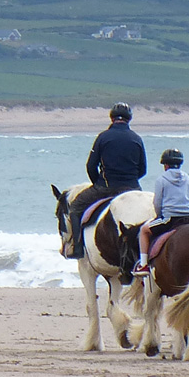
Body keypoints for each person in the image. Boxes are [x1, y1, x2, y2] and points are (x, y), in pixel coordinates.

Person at [65, 102, 145, 259]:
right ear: (129, 119)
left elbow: (91, 166)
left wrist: (98, 183)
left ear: (112, 118)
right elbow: (143, 169)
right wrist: (131, 181)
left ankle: (78, 248)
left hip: (107, 187)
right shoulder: (137, 139)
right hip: (132, 188)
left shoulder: (103, 137)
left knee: (75, 208)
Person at [131, 149, 189, 276]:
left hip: (170, 219)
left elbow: (157, 202)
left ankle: (144, 265)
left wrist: (158, 215)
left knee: (144, 231)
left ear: (166, 165)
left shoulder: (161, 179)